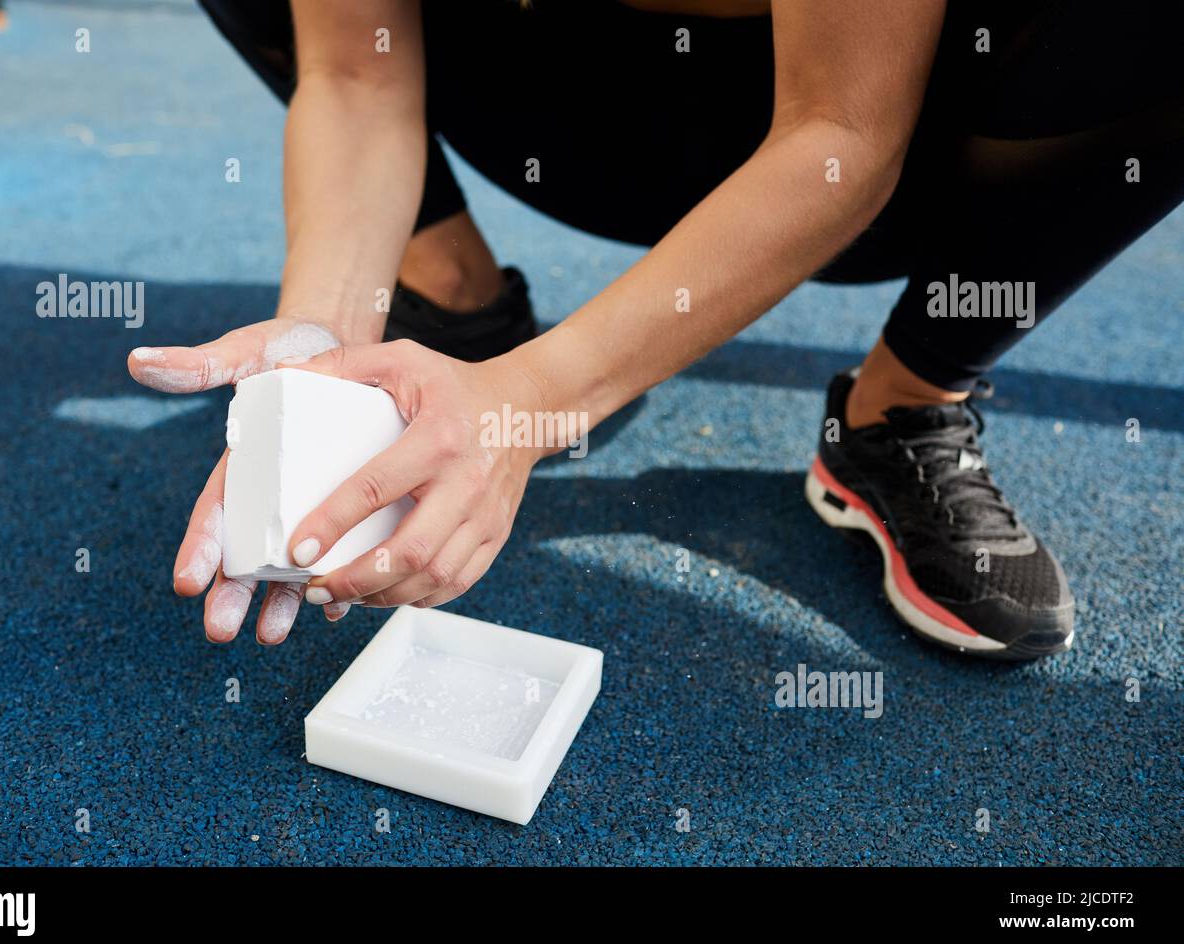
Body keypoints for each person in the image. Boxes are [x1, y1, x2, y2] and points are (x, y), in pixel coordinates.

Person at [128, 0, 1184, 659]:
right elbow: (357, 78)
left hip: (860, 142)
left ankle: (903, 401)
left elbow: (840, 135)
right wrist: (317, 362)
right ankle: (453, 297)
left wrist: (528, 408)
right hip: (564, 98)